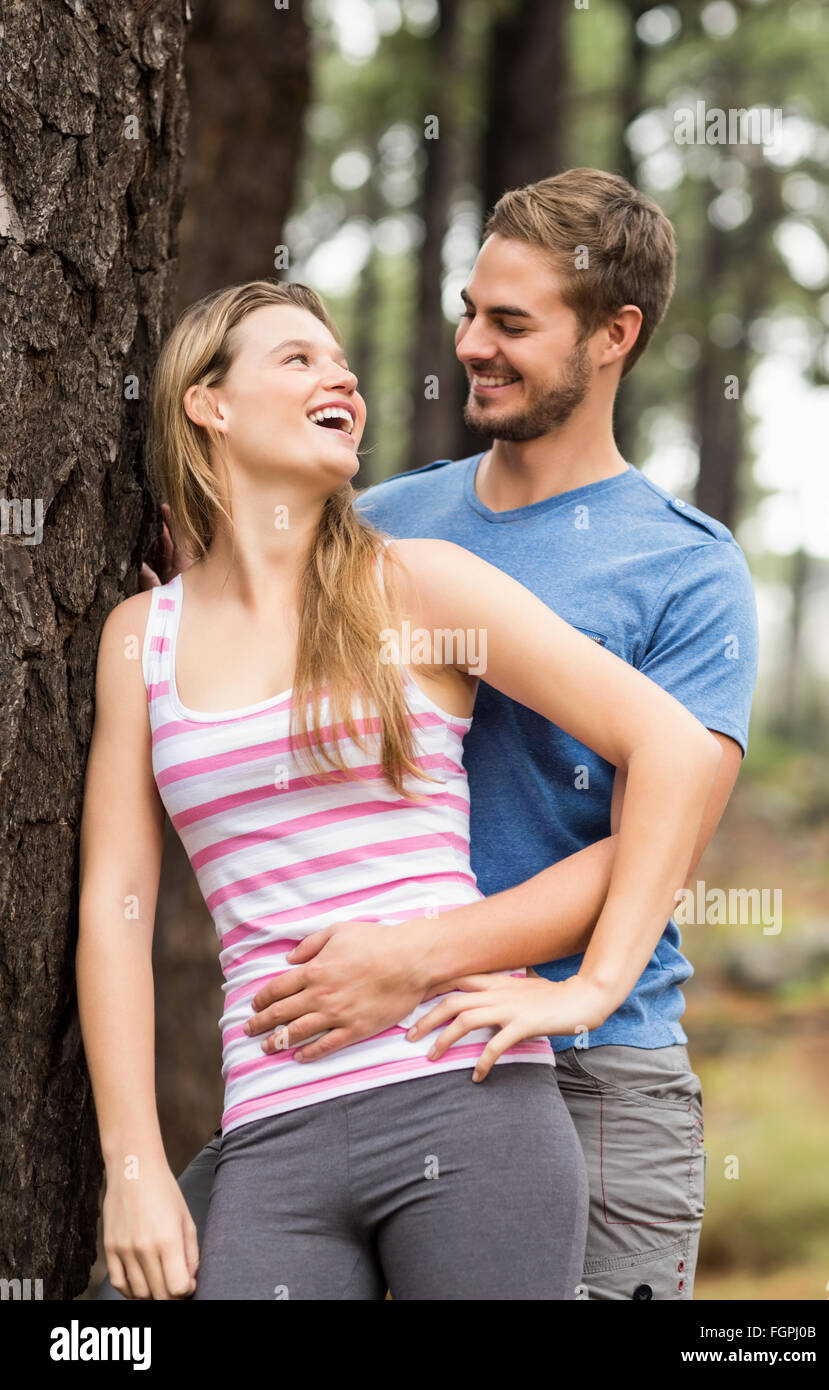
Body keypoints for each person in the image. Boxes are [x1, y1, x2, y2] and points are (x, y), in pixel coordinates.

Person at [79, 276, 721, 1301]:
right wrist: (134, 1166)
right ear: (209, 403)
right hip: (271, 1136)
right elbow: (113, 915)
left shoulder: (414, 584)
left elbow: (675, 755)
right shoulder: (137, 639)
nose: (340, 374)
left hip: (465, 1102)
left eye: (341, 362)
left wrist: (589, 986)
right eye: (297, 358)